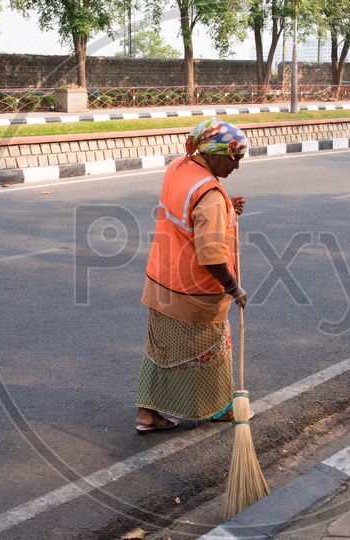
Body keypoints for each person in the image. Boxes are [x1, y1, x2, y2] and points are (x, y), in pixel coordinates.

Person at [135, 117, 249, 433]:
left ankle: (147, 414)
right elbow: (210, 254)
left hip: (161, 281)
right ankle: (220, 409)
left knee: (160, 349)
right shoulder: (210, 194)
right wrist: (233, 287)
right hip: (195, 293)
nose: (236, 166)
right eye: (234, 158)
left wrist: (227, 206)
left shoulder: (180, 167)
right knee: (214, 350)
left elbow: (188, 211)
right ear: (215, 153)